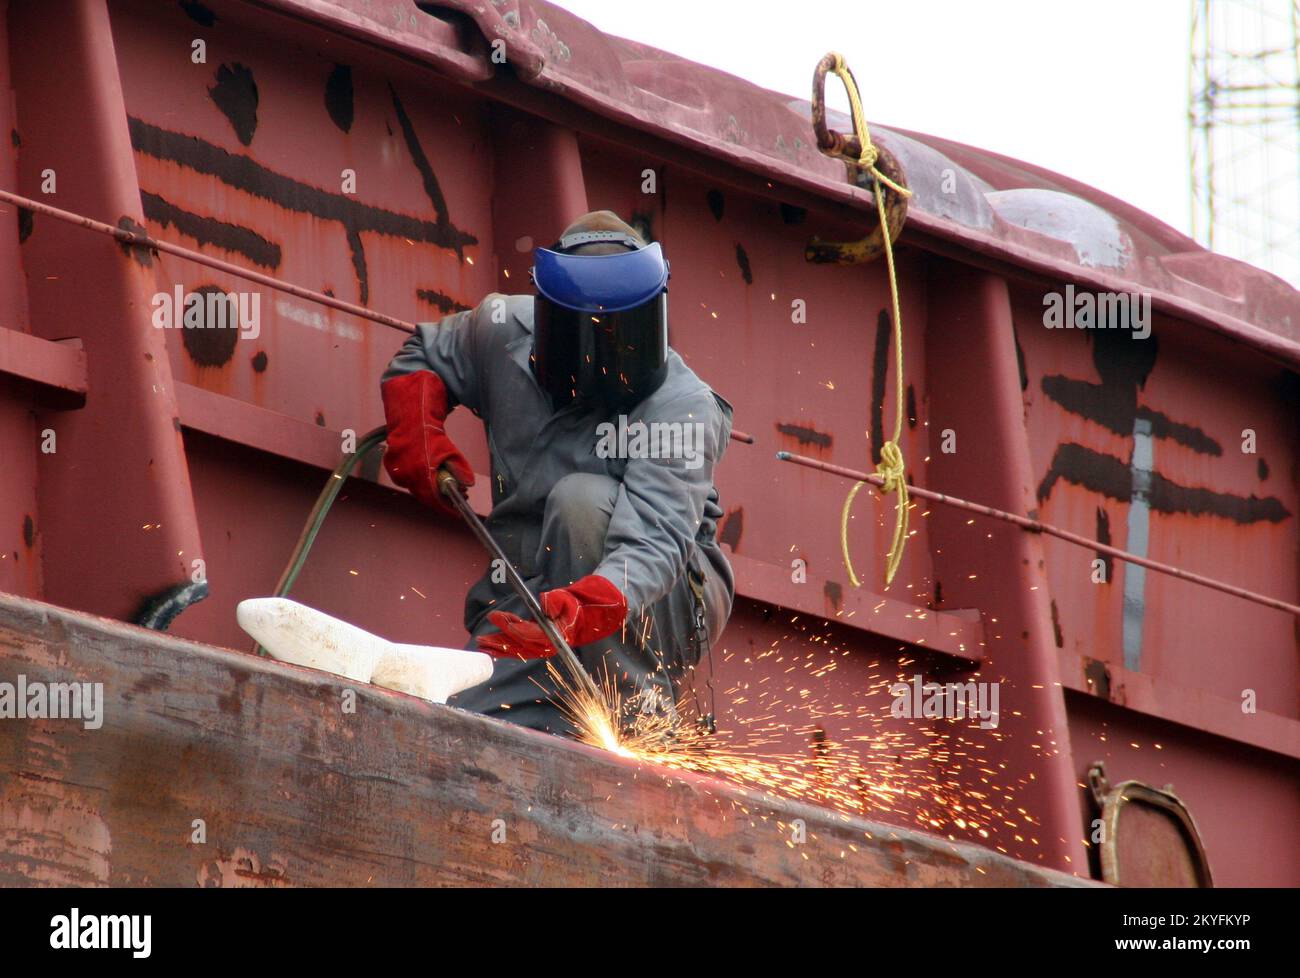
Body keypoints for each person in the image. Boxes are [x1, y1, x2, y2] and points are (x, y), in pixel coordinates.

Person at [379, 210, 734, 736]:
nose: (604, 359)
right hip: (536, 587)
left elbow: (654, 545)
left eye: (623, 339)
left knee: (580, 504)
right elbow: (426, 355)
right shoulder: (500, 331)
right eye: (588, 338)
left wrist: (587, 602)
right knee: (464, 725)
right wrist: (418, 430)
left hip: (660, 598)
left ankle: (637, 720)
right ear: (548, 317)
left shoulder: (682, 407)